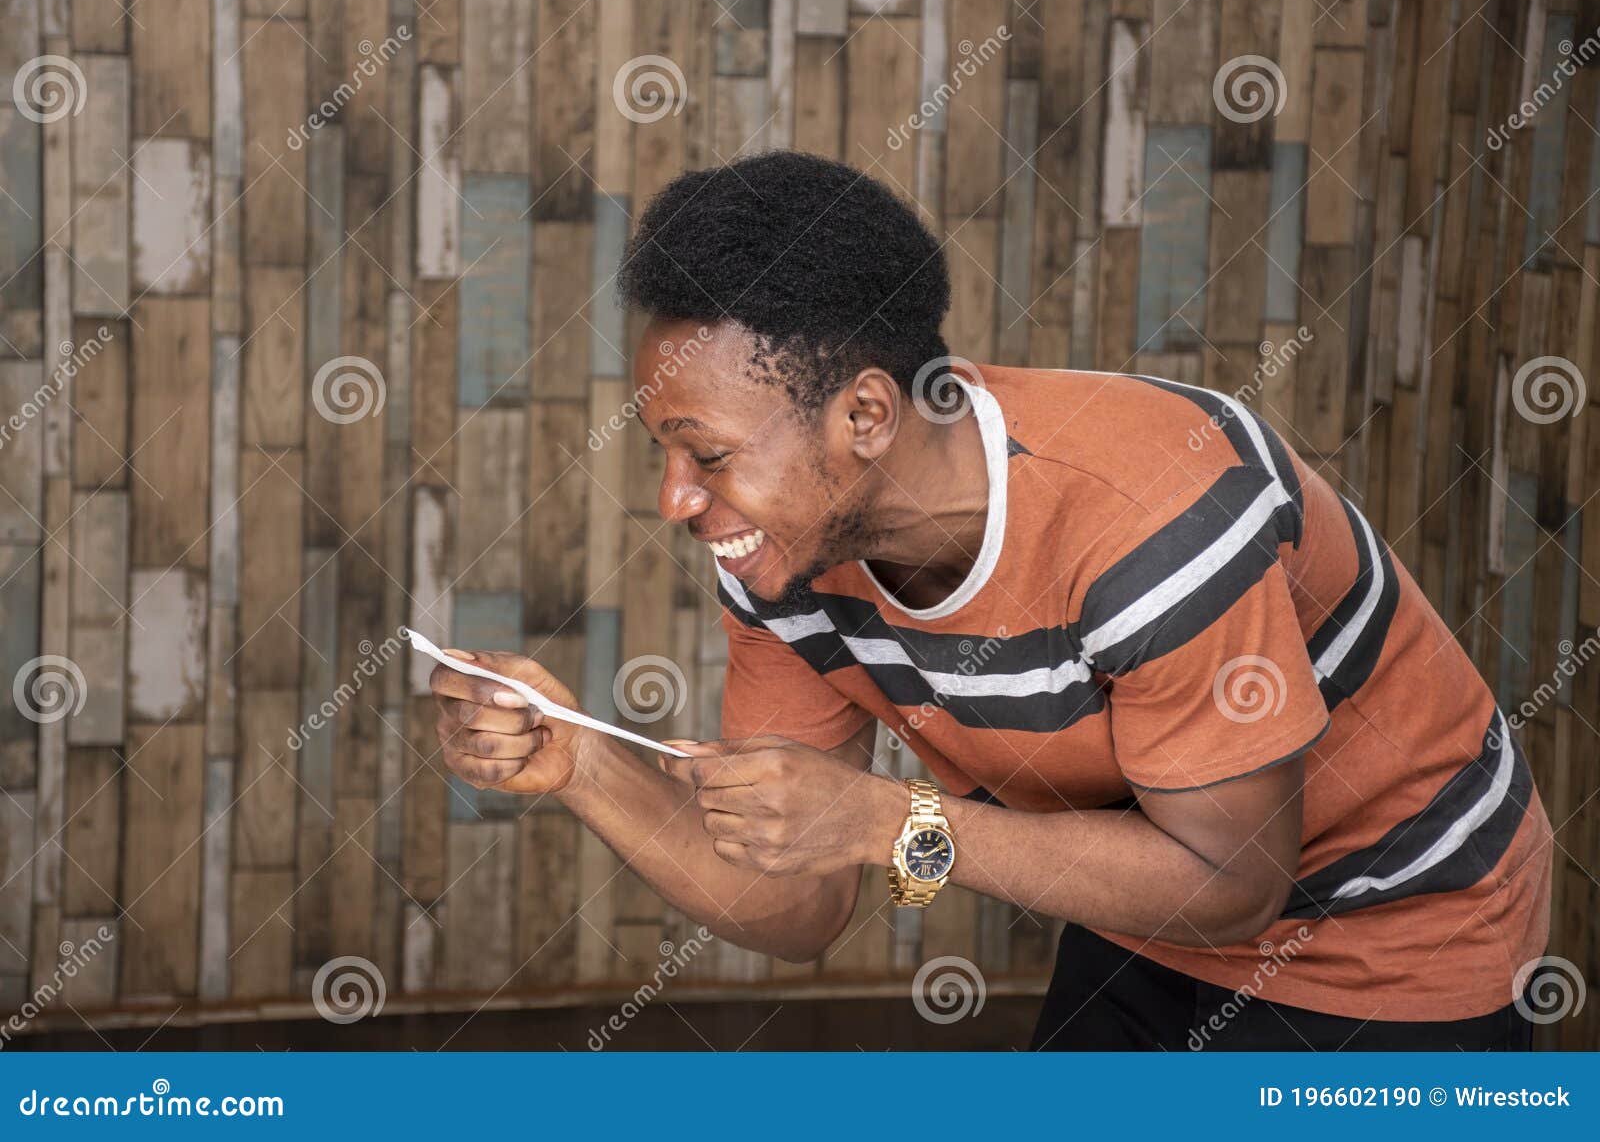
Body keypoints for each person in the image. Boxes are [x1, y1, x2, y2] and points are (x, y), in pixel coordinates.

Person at [428, 151, 1552, 1050]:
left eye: (704, 453)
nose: (674, 498)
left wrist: (886, 821)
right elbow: (805, 906)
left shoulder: (1151, 514)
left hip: (1398, 931)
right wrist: (583, 768)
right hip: (1139, 908)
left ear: (865, 416)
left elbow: (1230, 886)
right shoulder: (778, 560)